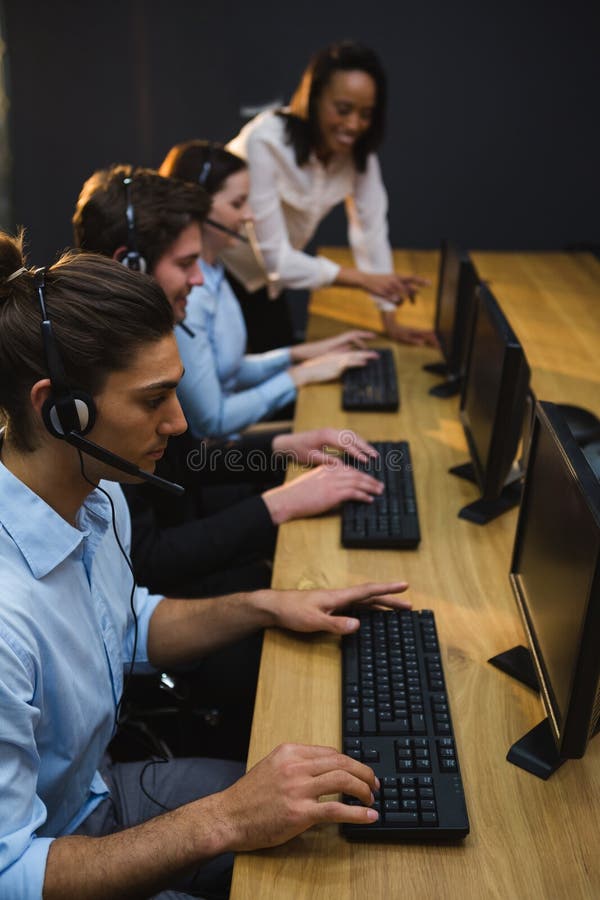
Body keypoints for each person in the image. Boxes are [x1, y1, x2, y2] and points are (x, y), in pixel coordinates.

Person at [0, 231, 412, 898]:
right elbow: (9, 874)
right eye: (152, 399)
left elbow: (125, 623)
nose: (178, 423)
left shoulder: (99, 492)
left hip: (95, 796)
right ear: (61, 411)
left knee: (349, 828)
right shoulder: (5, 619)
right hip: (51, 859)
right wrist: (223, 819)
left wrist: (263, 606)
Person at [73, 164, 386, 599]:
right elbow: (146, 562)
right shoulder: (89, 376)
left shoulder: (136, 348)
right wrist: (279, 505)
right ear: (130, 265)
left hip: (192, 551)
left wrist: (282, 448)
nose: (199, 280)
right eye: (186, 264)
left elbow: (182, 463)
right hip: (165, 604)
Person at [223, 40, 436, 350]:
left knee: (283, 364)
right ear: (313, 98)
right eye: (343, 109)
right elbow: (277, 260)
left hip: (268, 283)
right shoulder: (265, 142)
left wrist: (390, 320)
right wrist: (364, 280)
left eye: (366, 114)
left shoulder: (358, 156)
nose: (354, 125)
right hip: (219, 274)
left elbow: (371, 234)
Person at [159, 140, 379, 437]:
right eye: (238, 204)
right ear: (198, 209)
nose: (250, 215)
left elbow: (229, 371)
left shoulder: (213, 270)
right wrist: (299, 376)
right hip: (218, 455)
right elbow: (213, 422)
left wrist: (301, 355)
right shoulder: (189, 295)